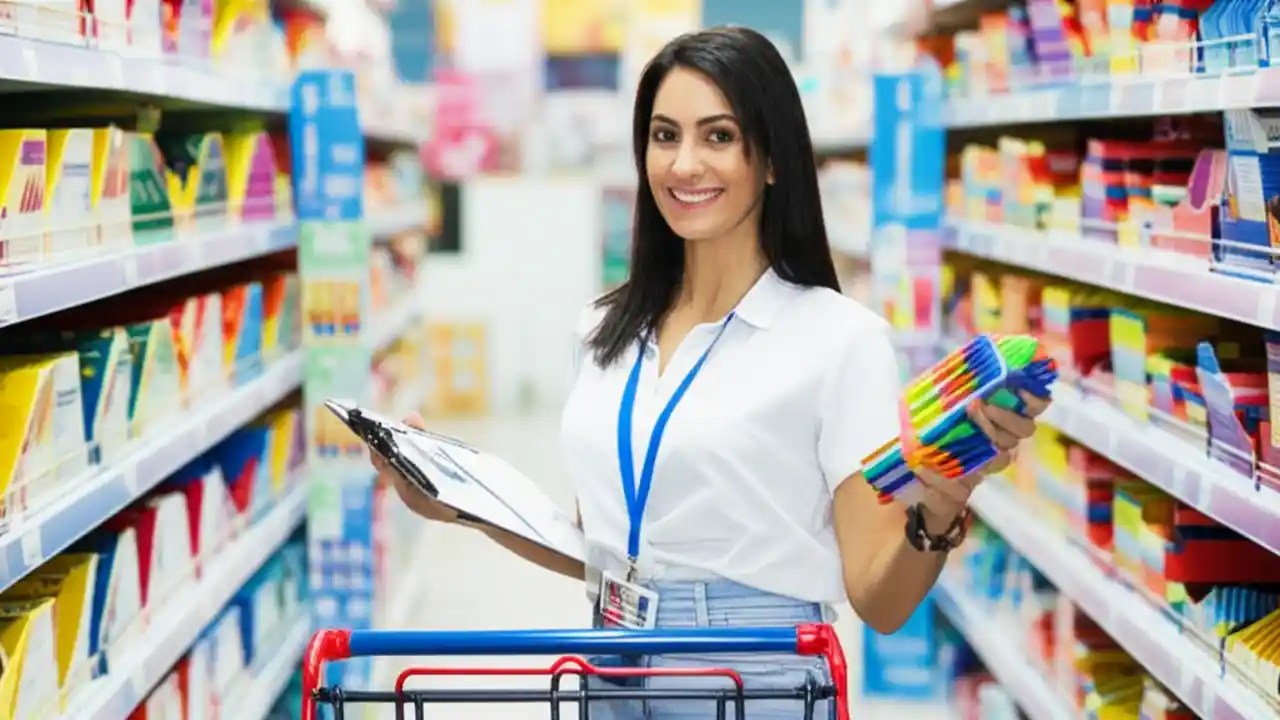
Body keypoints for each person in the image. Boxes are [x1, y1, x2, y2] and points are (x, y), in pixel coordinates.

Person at [374, 25, 1048, 720]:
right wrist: (461, 502)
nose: (684, 163)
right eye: (665, 136)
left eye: (718, 136)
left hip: (753, 677)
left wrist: (940, 507)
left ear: (773, 160)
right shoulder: (605, 329)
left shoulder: (839, 342)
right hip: (605, 670)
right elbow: (604, 549)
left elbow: (880, 600)